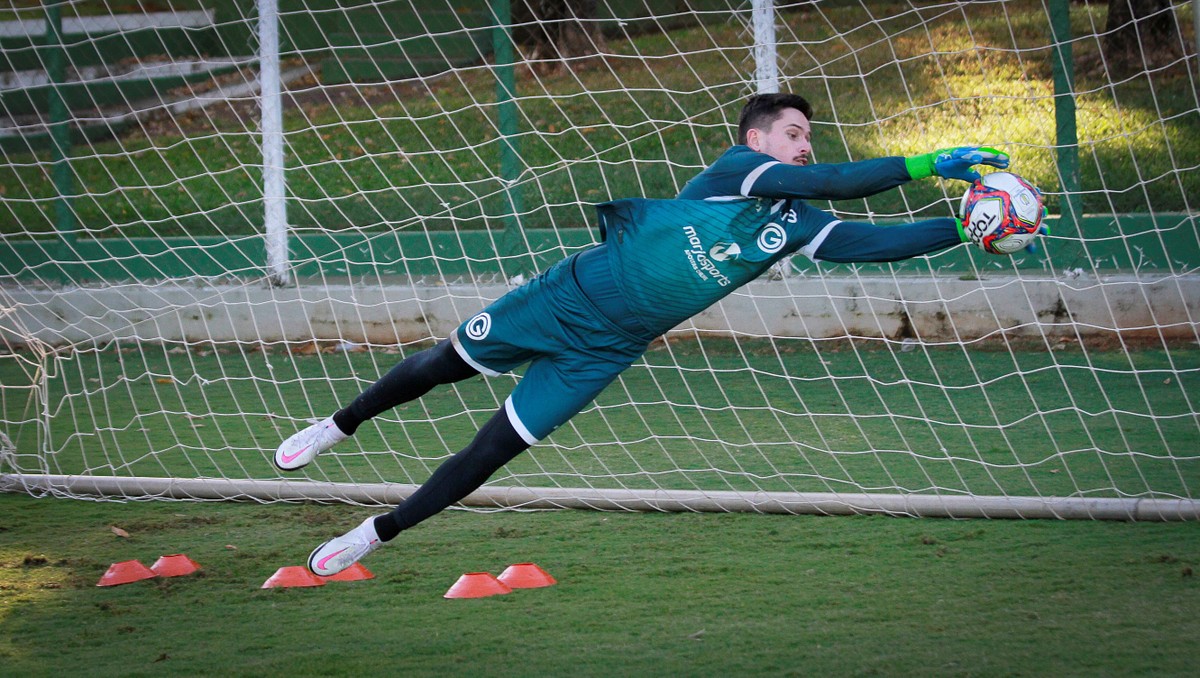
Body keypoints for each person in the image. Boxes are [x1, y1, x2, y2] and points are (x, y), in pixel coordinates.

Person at [275, 93, 1012, 576]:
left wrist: (967, 224)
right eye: (794, 134)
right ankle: (339, 425)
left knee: (494, 449)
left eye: (808, 138)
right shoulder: (739, 172)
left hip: (609, 346)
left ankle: (377, 532)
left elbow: (870, 241)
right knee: (443, 364)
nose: (803, 147)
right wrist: (923, 164)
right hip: (568, 295)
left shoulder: (799, 225)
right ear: (758, 138)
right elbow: (838, 182)